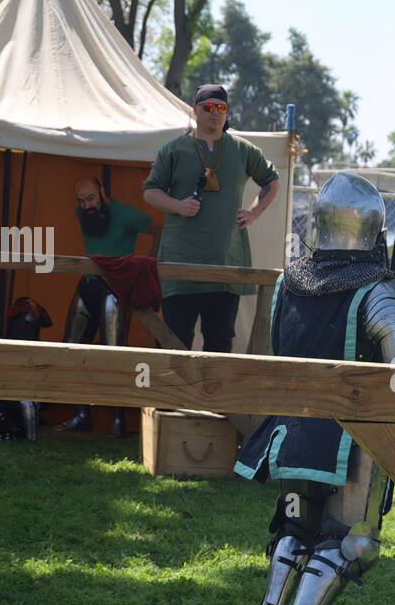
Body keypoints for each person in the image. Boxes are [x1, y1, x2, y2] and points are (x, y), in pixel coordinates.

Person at [234, 172, 395, 605]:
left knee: (297, 525)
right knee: (352, 540)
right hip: (352, 439)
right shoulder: (381, 291)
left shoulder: (288, 282)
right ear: (373, 230)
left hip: (291, 432)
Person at [142, 84, 280, 352]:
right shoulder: (173, 150)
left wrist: (253, 212)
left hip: (225, 266)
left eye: (221, 108)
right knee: (175, 342)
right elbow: (150, 192)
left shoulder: (243, 149)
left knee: (219, 343)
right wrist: (178, 206)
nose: (215, 113)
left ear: (227, 114)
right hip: (180, 266)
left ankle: (212, 395)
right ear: (195, 110)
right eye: (208, 107)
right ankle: (175, 395)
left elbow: (272, 181)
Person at [59, 176, 157, 434]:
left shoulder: (125, 213)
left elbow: (157, 228)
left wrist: (145, 265)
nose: (87, 205)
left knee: (114, 354)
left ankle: (118, 419)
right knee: (70, 348)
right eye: (81, 200)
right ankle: (81, 414)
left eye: (91, 198)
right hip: (88, 285)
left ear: (102, 192)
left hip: (114, 290)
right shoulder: (81, 213)